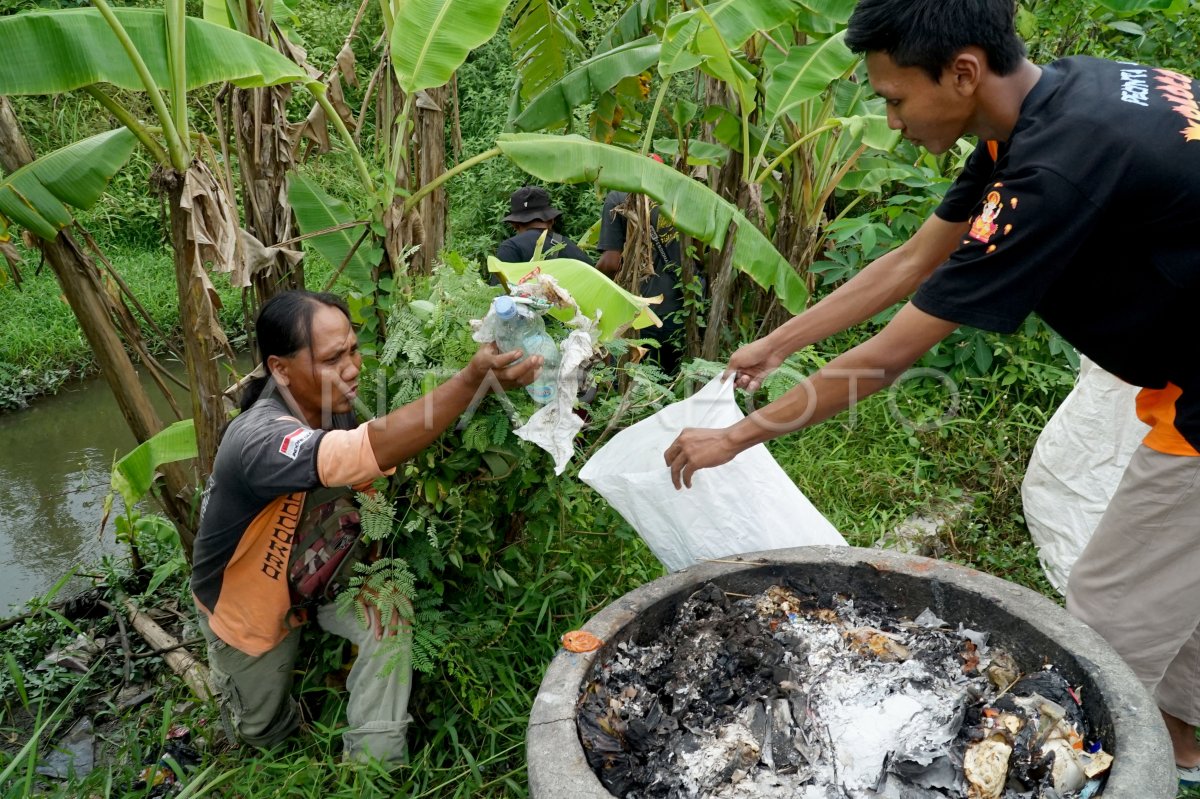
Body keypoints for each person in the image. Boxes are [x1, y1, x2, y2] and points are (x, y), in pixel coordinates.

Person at [663, 0, 1200, 783]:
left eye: (893, 98)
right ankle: (1184, 744)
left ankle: (1113, 769)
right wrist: (780, 342)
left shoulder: (1052, 171)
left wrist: (737, 437)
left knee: (1108, 612)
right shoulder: (1057, 99)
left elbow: (888, 359)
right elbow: (913, 260)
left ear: (962, 72)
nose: (889, 122)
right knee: (1170, 573)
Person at [191, 290, 540, 763]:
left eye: (354, 349)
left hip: (325, 577)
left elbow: (390, 446)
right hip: (250, 606)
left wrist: (486, 384)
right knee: (264, 737)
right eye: (333, 358)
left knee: (389, 613)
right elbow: (371, 447)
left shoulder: (334, 401)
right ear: (280, 368)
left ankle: (373, 764)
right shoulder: (258, 439)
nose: (352, 367)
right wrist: (472, 379)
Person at [597, 177, 686, 374]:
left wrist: (593, 283)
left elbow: (612, 262)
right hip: (682, 308)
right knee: (674, 381)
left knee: (630, 379)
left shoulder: (619, 197)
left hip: (640, 310)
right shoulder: (681, 196)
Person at [496, 186, 593, 265]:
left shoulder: (511, 248)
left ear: (515, 225)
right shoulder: (572, 249)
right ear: (551, 220)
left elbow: (499, 288)